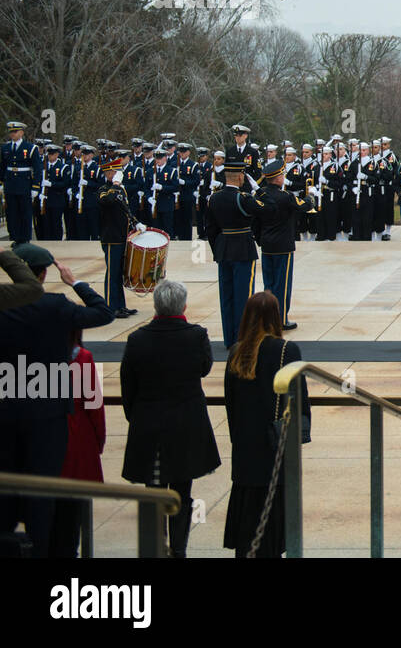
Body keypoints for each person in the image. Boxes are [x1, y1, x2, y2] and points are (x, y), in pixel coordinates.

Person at [0, 244, 114, 556]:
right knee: (43, 491)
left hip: (7, 408)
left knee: (7, 489)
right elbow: (103, 313)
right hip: (48, 413)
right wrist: (75, 282)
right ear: (44, 272)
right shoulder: (54, 306)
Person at [119, 279, 220, 557]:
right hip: (186, 426)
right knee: (181, 494)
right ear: (184, 306)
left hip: (149, 426)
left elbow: (128, 387)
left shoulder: (137, 340)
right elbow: (204, 368)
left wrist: (137, 418)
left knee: (153, 493)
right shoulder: (196, 336)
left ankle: (154, 547)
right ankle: (179, 549)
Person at [223, 291, 311, 557]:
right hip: (274, 446)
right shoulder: (287, 350)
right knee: (270, 530)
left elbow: (231, 406)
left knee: (248, 529)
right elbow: (300, 401)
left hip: (245, 450)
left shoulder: (236, 352)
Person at [48, 317, 106, 558]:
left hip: (47, 440)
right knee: (73, 515)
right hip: (76, 441)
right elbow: (94, 406)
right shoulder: (82, 358)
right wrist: (98, 441)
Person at [206, 157, 270, 348]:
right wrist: (258, 190)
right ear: (241, 176)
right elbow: (269, 208)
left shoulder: (214, 198)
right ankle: (242, 340)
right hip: (242, 248)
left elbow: (210, 229)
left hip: (223, 249)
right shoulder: (243, 198)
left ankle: (229, 339)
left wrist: (217, 250)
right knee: (243, 297)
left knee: (226, 297)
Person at [253, 159, 311, 331]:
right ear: (278, 178)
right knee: (282, 284)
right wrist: (311, 196)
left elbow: (255, 221)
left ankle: (267, 318)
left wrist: (259, 239)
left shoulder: (260, 195)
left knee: (269, 284)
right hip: (283, 246)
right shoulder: (285, 197)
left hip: (267, 245)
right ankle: (280, 319)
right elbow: (305, 206)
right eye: (282, 175)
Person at [97, 151, 143, 319]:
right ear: (109, 174)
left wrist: (135, 222)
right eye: (116, 172)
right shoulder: (104, 189)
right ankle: (110, 306)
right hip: (111, 238)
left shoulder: (119, 189)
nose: (119, 175)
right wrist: (116, 185)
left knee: (118, 273)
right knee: (112, 273)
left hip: (122, 236)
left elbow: (124, 208)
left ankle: (120, 305)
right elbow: (106, 202)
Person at [1, 121, 40, 244]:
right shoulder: (5, 148)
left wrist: (35, 187)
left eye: (15, 131)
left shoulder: (30, 148)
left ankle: (24, 239)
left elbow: (37, 169)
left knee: (24, 213)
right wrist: (1, 183)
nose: (12, 134)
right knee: (11, 213)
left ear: (22, 132)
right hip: (10, 185)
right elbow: (2, 167)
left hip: (24, 184)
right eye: (11, 132)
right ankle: (14, 237)